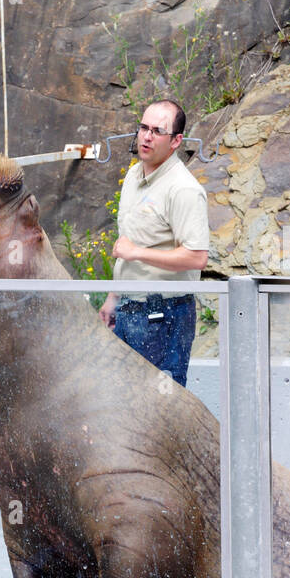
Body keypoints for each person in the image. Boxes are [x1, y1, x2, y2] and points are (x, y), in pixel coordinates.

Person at [98, 99, 209, 387]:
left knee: (160, 408)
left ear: (176, 141)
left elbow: (196, 257)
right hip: (128, 307)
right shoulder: (134, 175)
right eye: (144, 128)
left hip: (164, 315)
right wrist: (113, 297)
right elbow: (128, 242)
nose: (147, 137)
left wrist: (137, 253)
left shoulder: (183, 189)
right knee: (122, 401)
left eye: (157, 131)